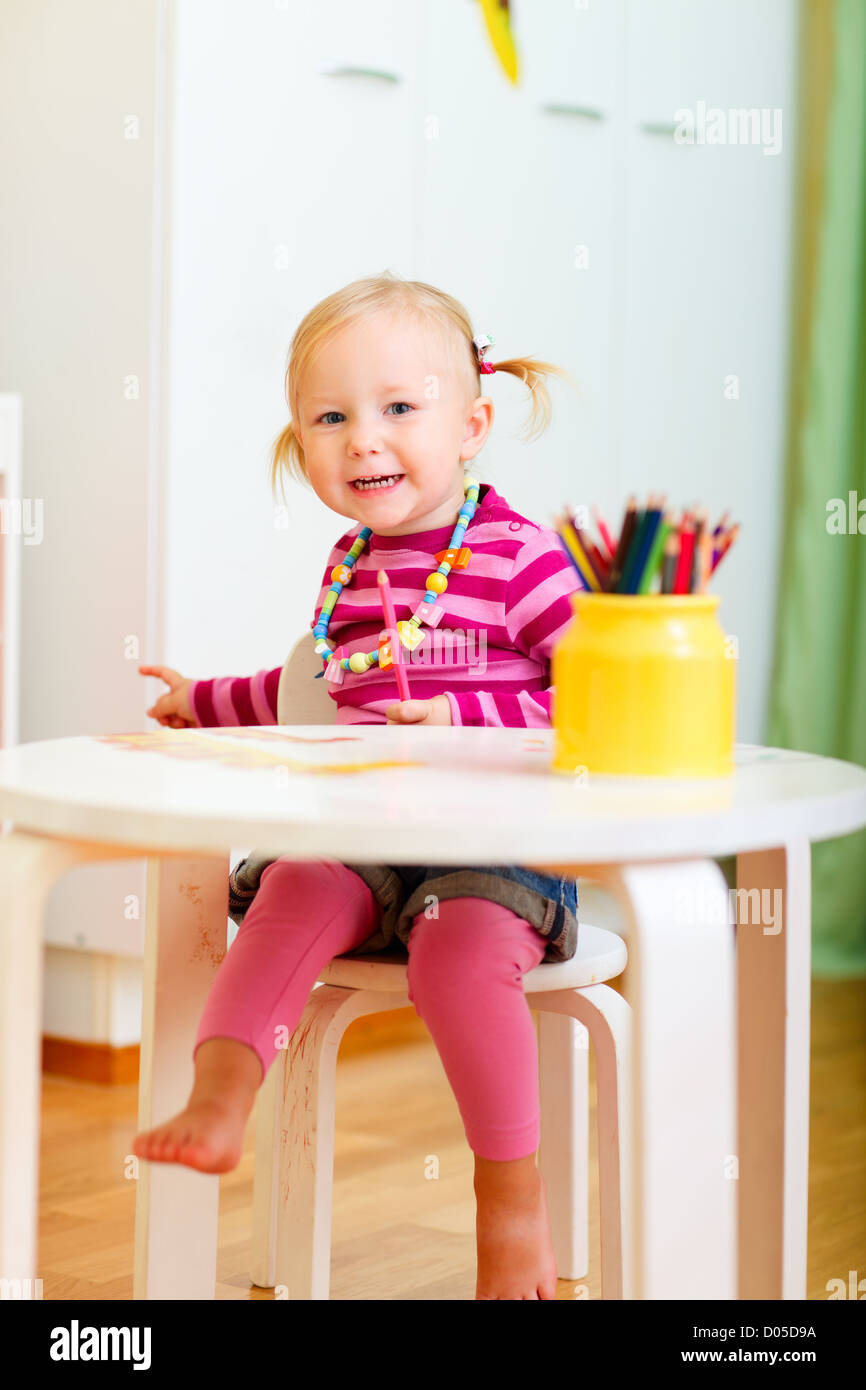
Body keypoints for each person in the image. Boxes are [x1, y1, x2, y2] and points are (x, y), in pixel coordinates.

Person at [133, 271, 583, 1300]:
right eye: (328, 418)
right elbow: (316, 693)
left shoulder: (520, 558)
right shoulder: (348, 567)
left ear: (470, 423)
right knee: (291, 886)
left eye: (396, 409)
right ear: (300, 444)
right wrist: (200, 698)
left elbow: (596, 705)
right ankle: (218, 1099)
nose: (361, 439)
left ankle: (510, 1207)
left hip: (494, 854)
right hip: (363, 840)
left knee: (459, 959)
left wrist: (467, 721)